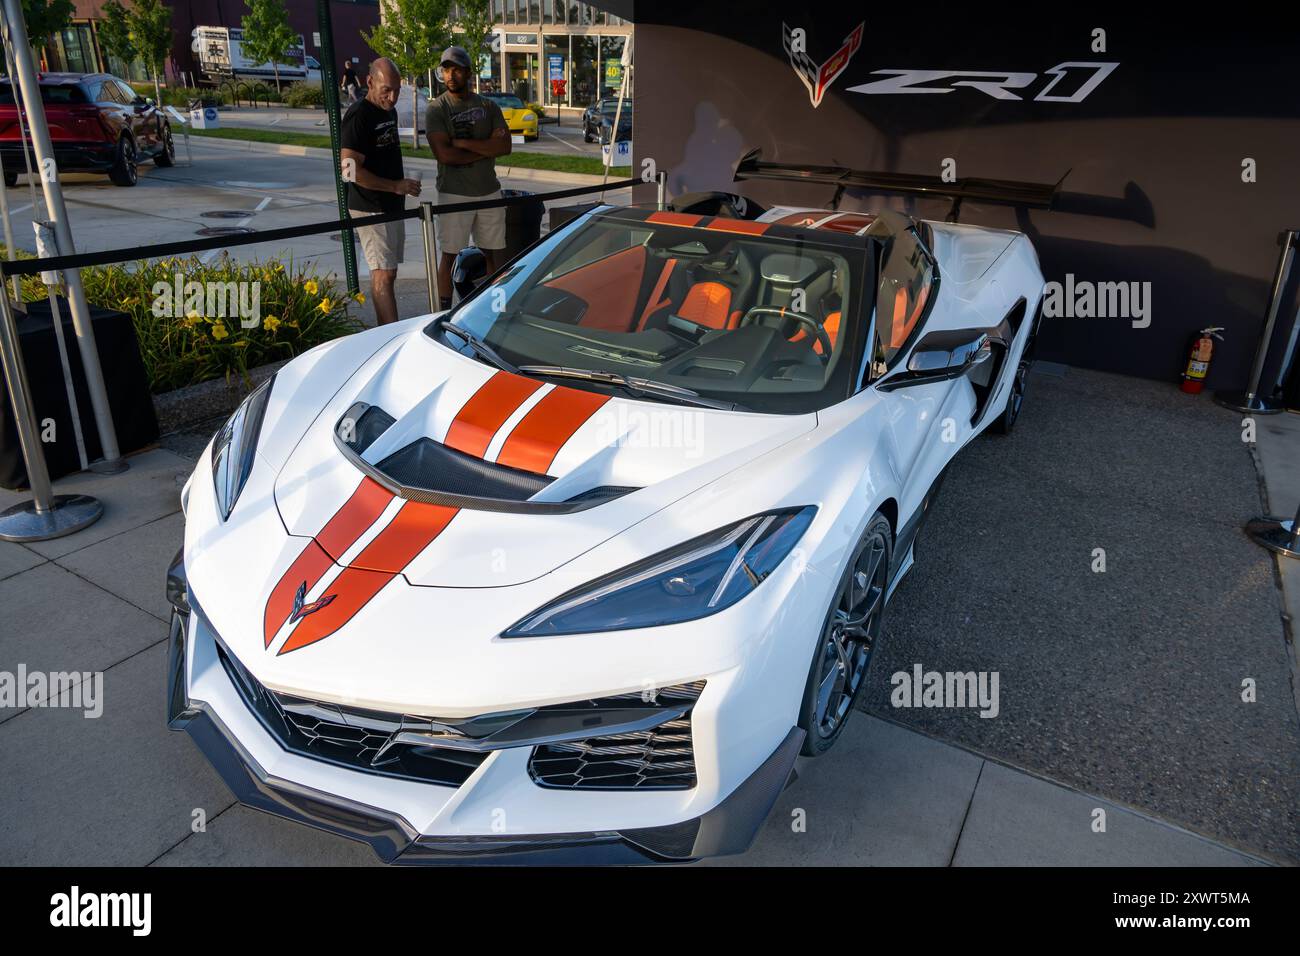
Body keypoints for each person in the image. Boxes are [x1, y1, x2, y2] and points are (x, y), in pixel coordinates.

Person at [424, 46, 511, 313]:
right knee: (449, 254)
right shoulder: (437, 109)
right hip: (454, 193)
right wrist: (483, 147)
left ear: (468, 73)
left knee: (493, 253)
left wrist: (462, 142)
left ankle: (495, 309)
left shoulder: (488, 106)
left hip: (488, 191)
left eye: (457, 69)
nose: (451, 75)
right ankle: (443, 311)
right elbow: (444, 154)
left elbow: (504, 147)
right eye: (446, 69)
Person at [339, 57, 422, 326]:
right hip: (370, 205)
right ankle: (388, 335)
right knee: (383, 274)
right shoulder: (358, 115)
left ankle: (388, 329)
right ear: (369, 82)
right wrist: (395, 186)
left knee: (389, 272)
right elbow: (349, 171)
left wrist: (399, 186)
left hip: (390, 203)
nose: (393, 96)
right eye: (387, 89)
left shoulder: (388, 111)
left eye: (397, 90)